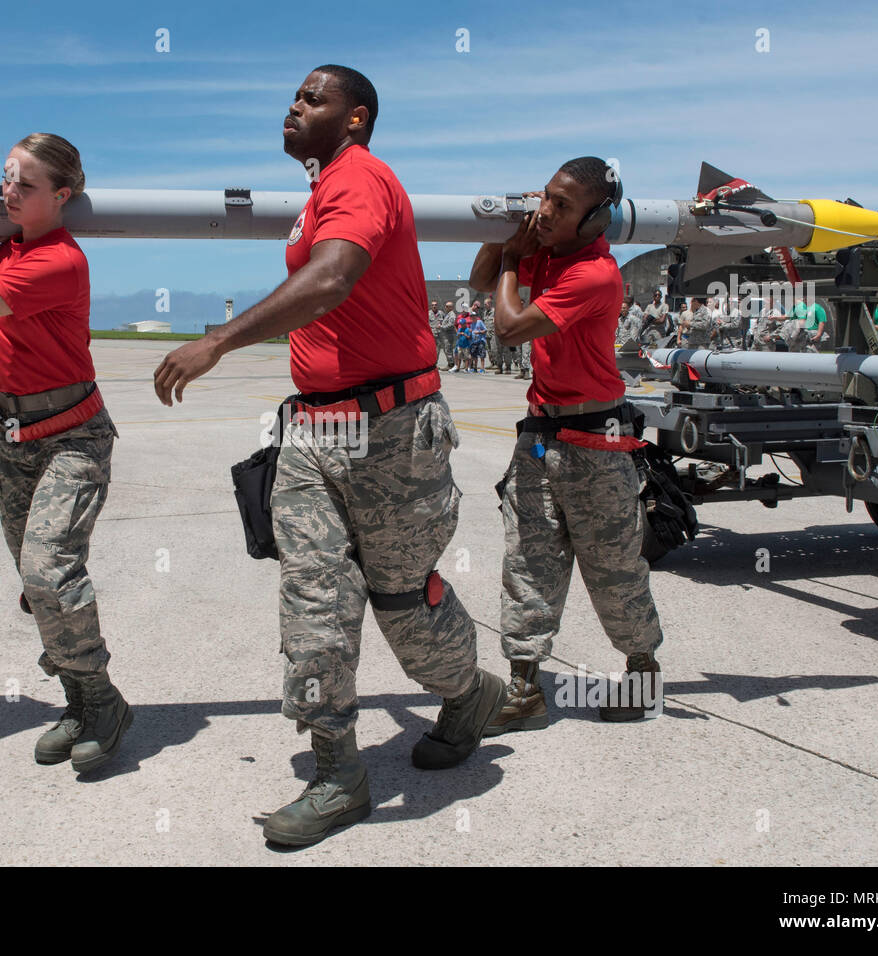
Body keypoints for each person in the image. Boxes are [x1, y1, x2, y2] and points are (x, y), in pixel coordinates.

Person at [153, 65, 504, 848]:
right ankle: (339, 774)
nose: (293, 104)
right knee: (314, 605)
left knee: (403, 607)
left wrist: (218, 339)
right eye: (293, 94)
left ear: (355, 118)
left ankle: (468, 690)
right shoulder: (321, 191)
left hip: (392, 436)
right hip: (313, 435)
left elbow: (338, 275)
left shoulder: (363, 177)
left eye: (312, 97)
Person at [0, 134, 130, 775]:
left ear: (62, 196)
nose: (7, 191)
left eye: (25, 184)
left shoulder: (58, 261)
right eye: (5, 179)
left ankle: (102, 704)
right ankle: (78, 701)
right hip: (12, 439)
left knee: (47, 570)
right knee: (38, 588)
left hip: (71, 436)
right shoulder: (11, 252)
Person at [467, 156, 665, 731]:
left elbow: (507, 327)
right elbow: (483, 282)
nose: (547, 212)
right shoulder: (548, 252)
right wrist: (511, 239)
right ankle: (525, 684)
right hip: (541, 433)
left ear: (597, 218)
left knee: (614, 568)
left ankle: (643, 674)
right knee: (528, 560)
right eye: (546, 198)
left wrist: (513, 259)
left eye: (562, 205)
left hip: (597, 440)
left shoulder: (595, 273)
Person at [440, 300, 457, 369]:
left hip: (449, 335)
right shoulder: (448, 314)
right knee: (447, 349)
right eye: (445, 306)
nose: (445, 307)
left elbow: (451, 325)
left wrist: (442, 327)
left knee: (448, 350)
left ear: (451, 307)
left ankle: (451, 364)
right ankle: (450, 363)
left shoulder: (452, 315)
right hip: (446, 335)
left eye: (447, 306)